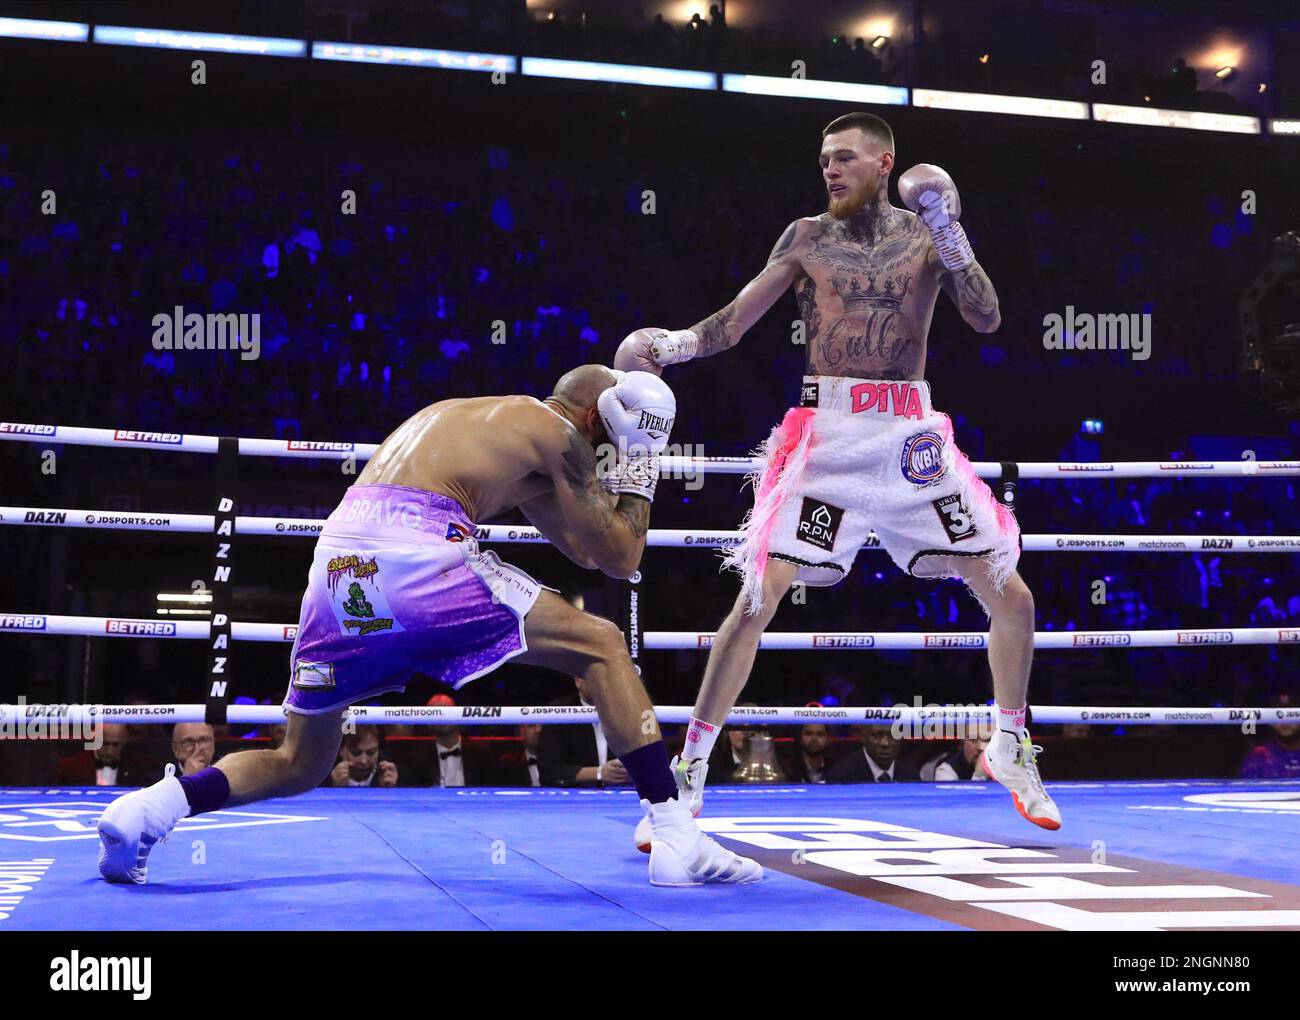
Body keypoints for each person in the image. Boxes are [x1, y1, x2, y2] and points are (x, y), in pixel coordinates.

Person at [97, 365, 760, 888]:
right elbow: (624, 555)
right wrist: (644, 459)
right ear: (593, 420)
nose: (606, 460)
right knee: (602, 646)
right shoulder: (558, 433)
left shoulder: (483, 426)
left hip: (341, 563)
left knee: (300, 760)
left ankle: (150, 810)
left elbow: (590, 550)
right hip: (416, 550)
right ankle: (676, 835)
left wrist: (616, 475)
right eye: (608, 445)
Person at [617, 110, 1059, 834]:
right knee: (756, 600)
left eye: (846, 158)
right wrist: (671, 346)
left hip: (913, 443)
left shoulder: (923, 236)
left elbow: (985, 317)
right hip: (829, 441)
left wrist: (949, 229)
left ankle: (1011, 746)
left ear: (885, 164)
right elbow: (734, 320)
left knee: (1012, 596)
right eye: (825, 158)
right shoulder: (805, 236)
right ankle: (685, 778)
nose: (831, 169)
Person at [827, 725, 920, 783]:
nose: (885, 743)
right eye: (876, 735)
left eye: (893, 736)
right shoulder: (842, 775)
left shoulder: (911, 776)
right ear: (863, 737)